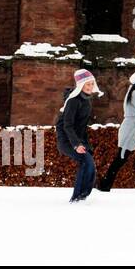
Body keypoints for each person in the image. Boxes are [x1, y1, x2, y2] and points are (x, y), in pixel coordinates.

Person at [55, 69, 105, 203]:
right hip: (67, 140)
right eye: (87, 84)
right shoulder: (73, 101)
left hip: (78, 140)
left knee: (89, 163)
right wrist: (76, 144)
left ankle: (83, 196)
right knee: (86, 161)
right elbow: (67, 125)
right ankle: (77, 197)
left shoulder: (87, 101)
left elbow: (82, 127)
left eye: (91, 84)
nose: (90, 87)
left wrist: (85, 145)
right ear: (80, 85)